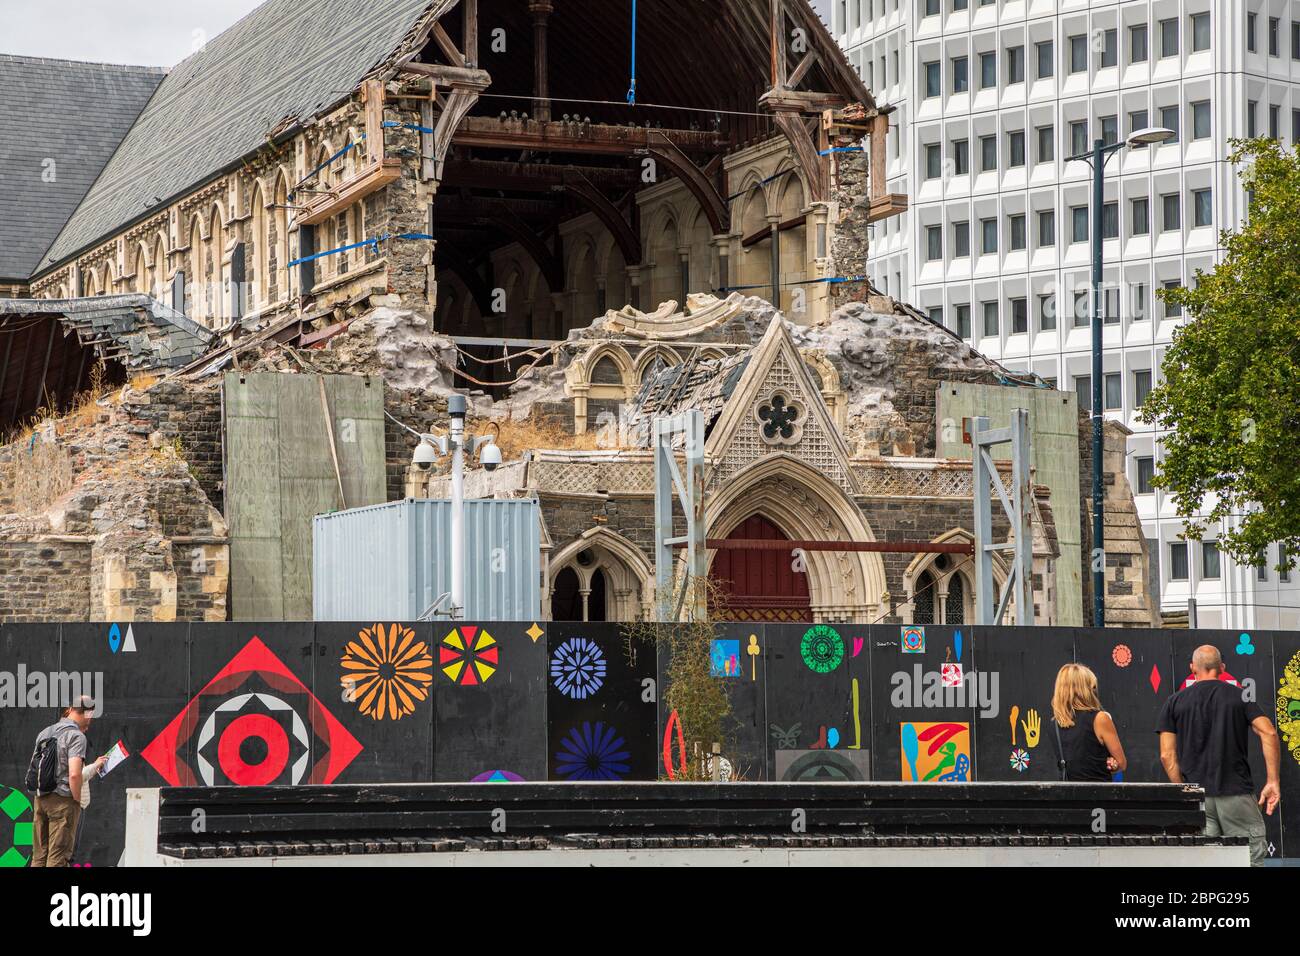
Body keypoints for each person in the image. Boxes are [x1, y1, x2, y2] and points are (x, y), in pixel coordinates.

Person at [1157, 645, 1281, 867]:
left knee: (1205, 863)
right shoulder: (1241, 695)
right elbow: (1269, 732)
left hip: (1198, 799)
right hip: (1236, 795)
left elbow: (1167, 755)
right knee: (1249, 860)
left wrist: (1183, 792)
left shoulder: (1174, 701)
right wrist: (1272, 781)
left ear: (1192, 668)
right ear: (1222, 668)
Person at [29, 696, 106, 868]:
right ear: (88, 714)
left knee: (39, 856)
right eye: (90, 718)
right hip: (63, 801)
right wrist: (76, 801)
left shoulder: (45, 732)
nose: (89, 722)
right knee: (58, 857)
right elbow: (74, 774)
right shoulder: (76, 736)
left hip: (40, 799)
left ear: (70, 709)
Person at [1050, 663, 1127, 781]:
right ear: (1085, 689)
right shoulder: (1100, 719)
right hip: (1096, 793)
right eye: (1093, 686)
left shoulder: (1055, 723)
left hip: (1067, 794)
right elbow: (1121, 763)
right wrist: (1112, 764)